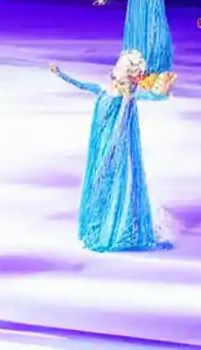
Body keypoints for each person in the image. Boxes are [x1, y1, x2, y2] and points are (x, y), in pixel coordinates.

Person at [49, 52, 174, 252]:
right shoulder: (104, 92)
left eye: (120, 74)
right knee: (100, 180)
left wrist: (161, 89)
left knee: (114, 181)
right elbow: (82, 85)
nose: (116, 77)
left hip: (117, 146)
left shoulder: (127, 98)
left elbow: (152, 95)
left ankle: (116, 225)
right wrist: (61, 74)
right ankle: (102, 221)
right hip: (102, 145)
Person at [94, 0, 198, 96]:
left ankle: (152, 69)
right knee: (137, 33)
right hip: (137, 8)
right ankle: (135, 68)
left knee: (152, 33)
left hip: (150, 7)